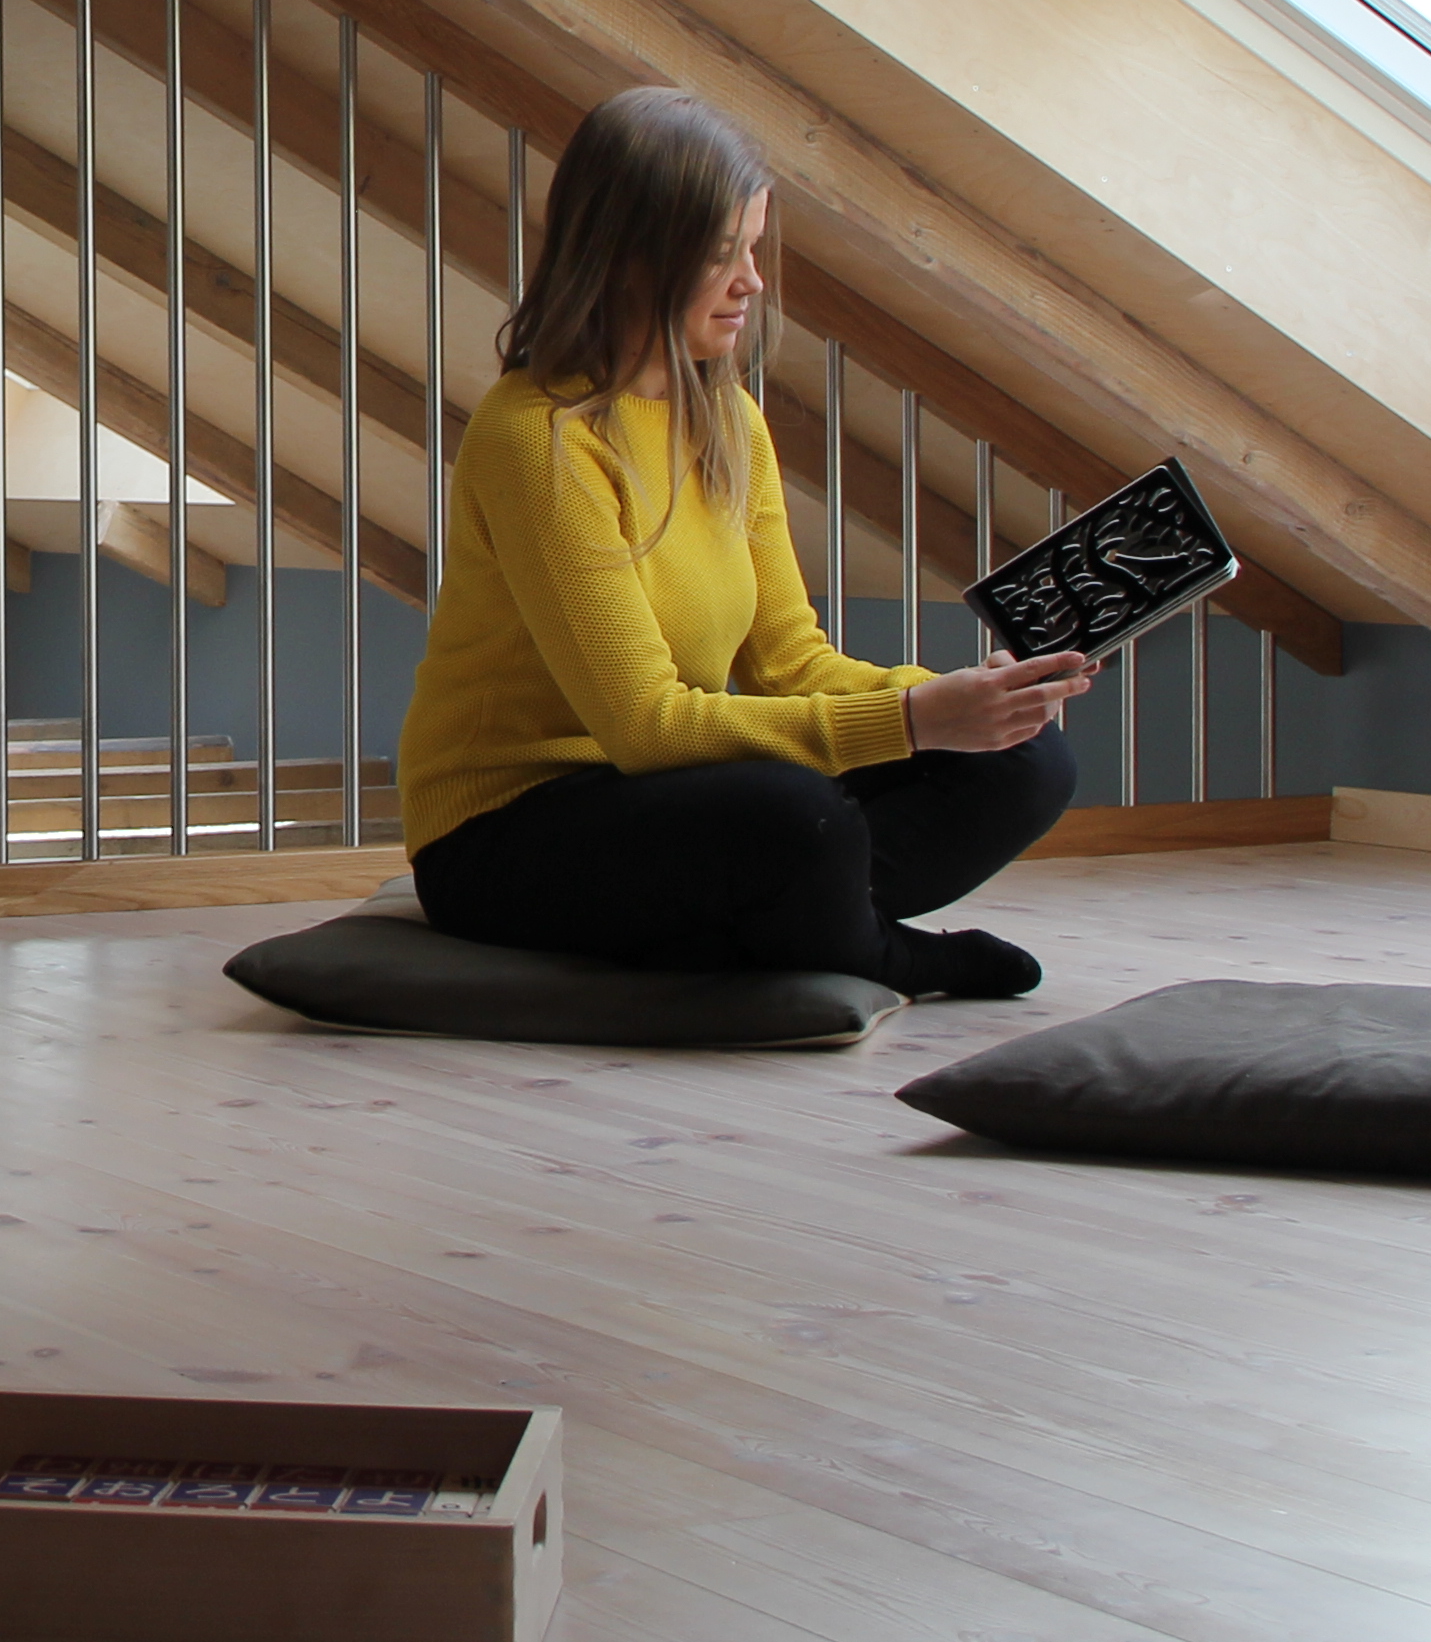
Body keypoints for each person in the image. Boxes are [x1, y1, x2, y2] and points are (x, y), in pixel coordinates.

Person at [396, 85, 1091, 999]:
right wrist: (914, 722)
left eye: (753, 249)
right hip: (507, 829)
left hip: (664, 801)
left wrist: (962, 702)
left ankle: (782, 926)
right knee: (793, 811)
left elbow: (790, 664)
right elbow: (647, 729)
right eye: (722, 254)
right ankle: (877, 954)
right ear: (629, 256)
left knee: (1022, 761)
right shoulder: (539, 439)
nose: (751, 282)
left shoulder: (728, 421)